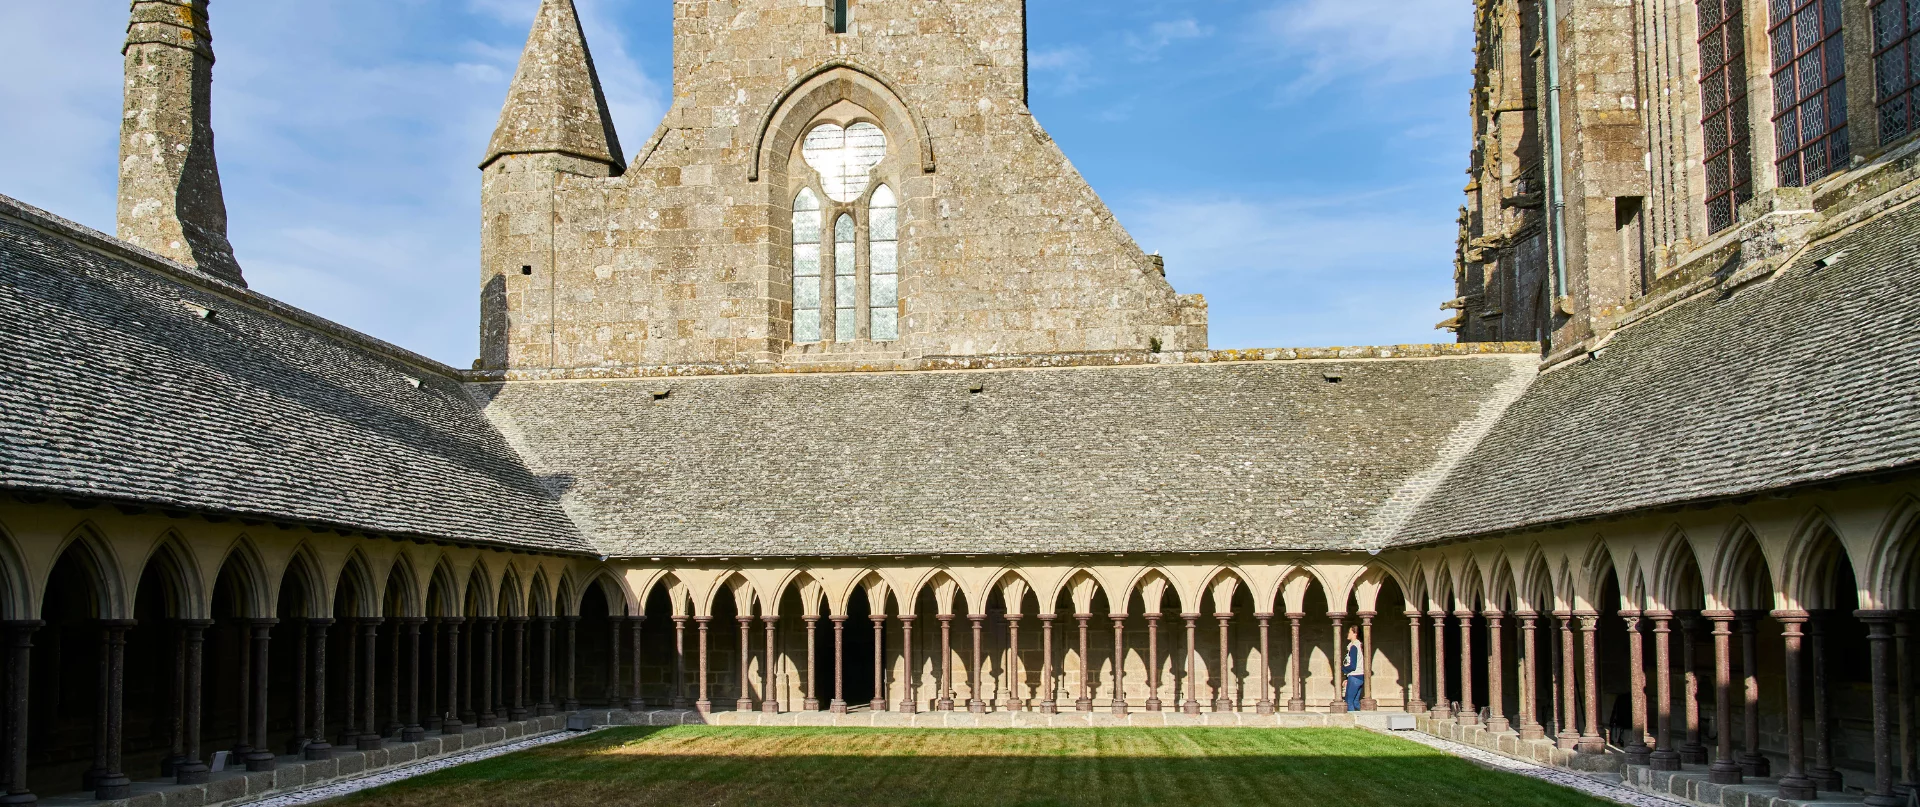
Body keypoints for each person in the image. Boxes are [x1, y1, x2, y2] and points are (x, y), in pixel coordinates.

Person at [1341, 625, 1365, 711]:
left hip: (1355, 676)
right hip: (1360, 676)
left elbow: (1352, 666)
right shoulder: (1359, 645)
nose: (1348, 634)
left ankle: (1352, 722)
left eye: (1349, 632)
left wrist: (1342, 669)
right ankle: (1363, 718)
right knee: (1355, 702)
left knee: (1349, 701)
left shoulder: (1354, 647)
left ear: (1354, 633)